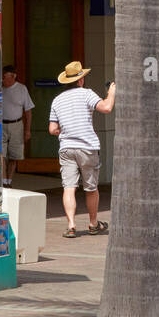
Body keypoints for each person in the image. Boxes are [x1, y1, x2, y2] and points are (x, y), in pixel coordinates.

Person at [48, 61, 114, 237]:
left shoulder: (57, 100)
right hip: (87, 147)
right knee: (91, 188)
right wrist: (111, 93)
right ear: (80, 80)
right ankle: (93, 223)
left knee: (68, 187)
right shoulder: (86, 94)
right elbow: (106, 108)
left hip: (67, 148)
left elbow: (52, 129)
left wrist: (67, 129)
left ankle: (71, 225)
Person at [0, 65, 35, 186]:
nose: (3, 79)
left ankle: (9, 180)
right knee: (1, 154)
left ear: (13, 77)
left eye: (5, 77)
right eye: (2, 77)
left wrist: (28, 130)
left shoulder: (21, 89)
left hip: (17, 124)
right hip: (1, 124)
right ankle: (4, 181)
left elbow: (28, 111)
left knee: (14, 155)